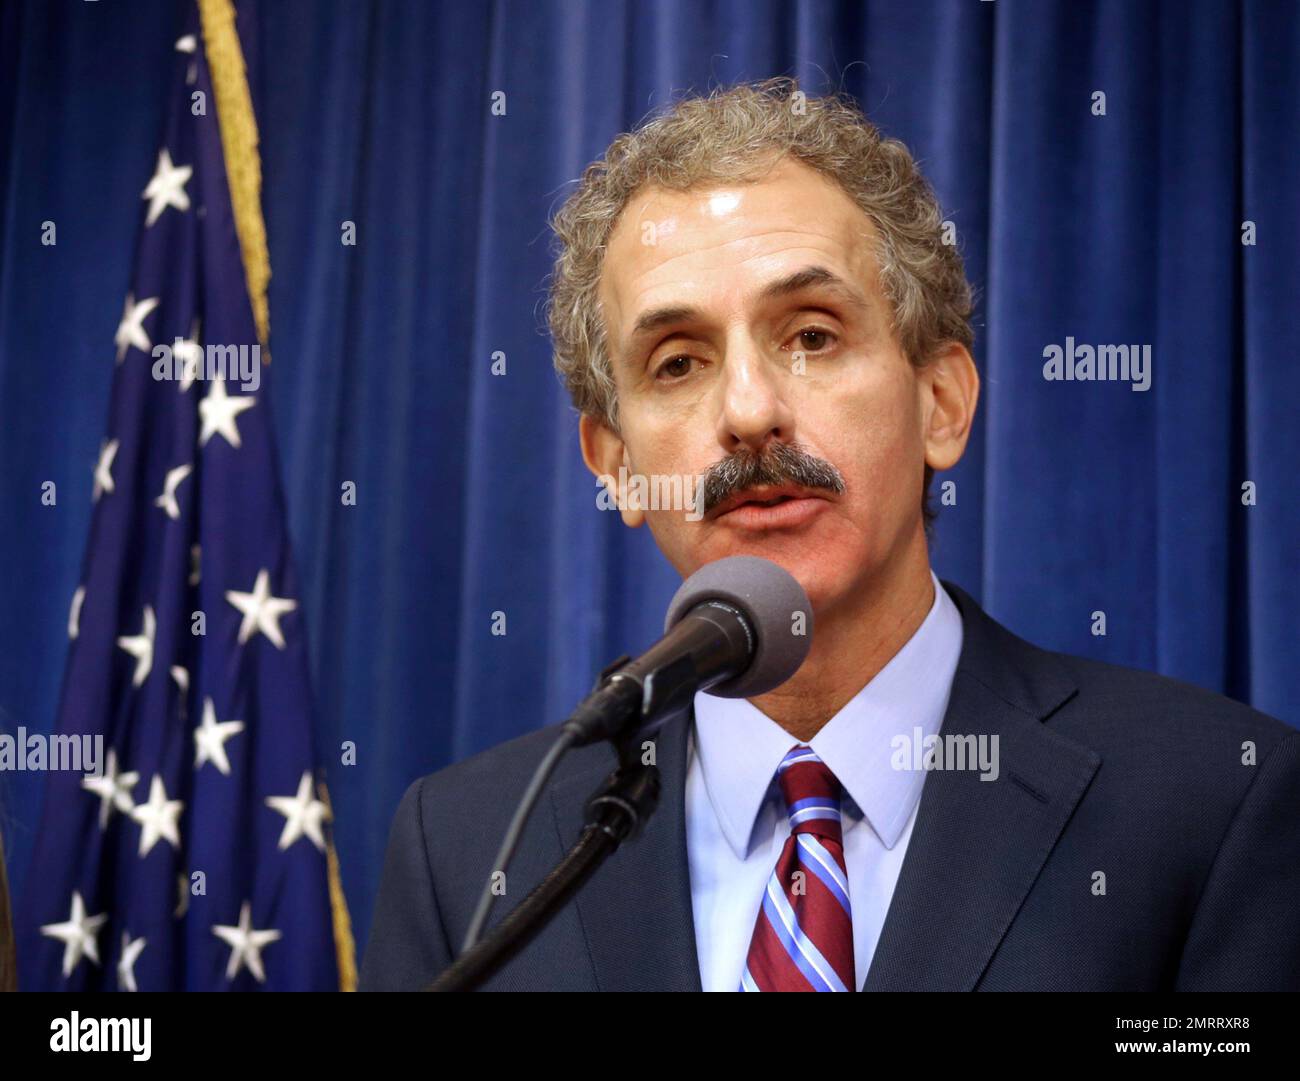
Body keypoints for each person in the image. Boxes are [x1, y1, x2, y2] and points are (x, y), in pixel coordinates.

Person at [361, 79, 1300, 991]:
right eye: (678, 361)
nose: (749, 411)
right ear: (614, 465)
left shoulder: (1212, 804)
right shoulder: (468, 852)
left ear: (941, 402)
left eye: (811, 336)